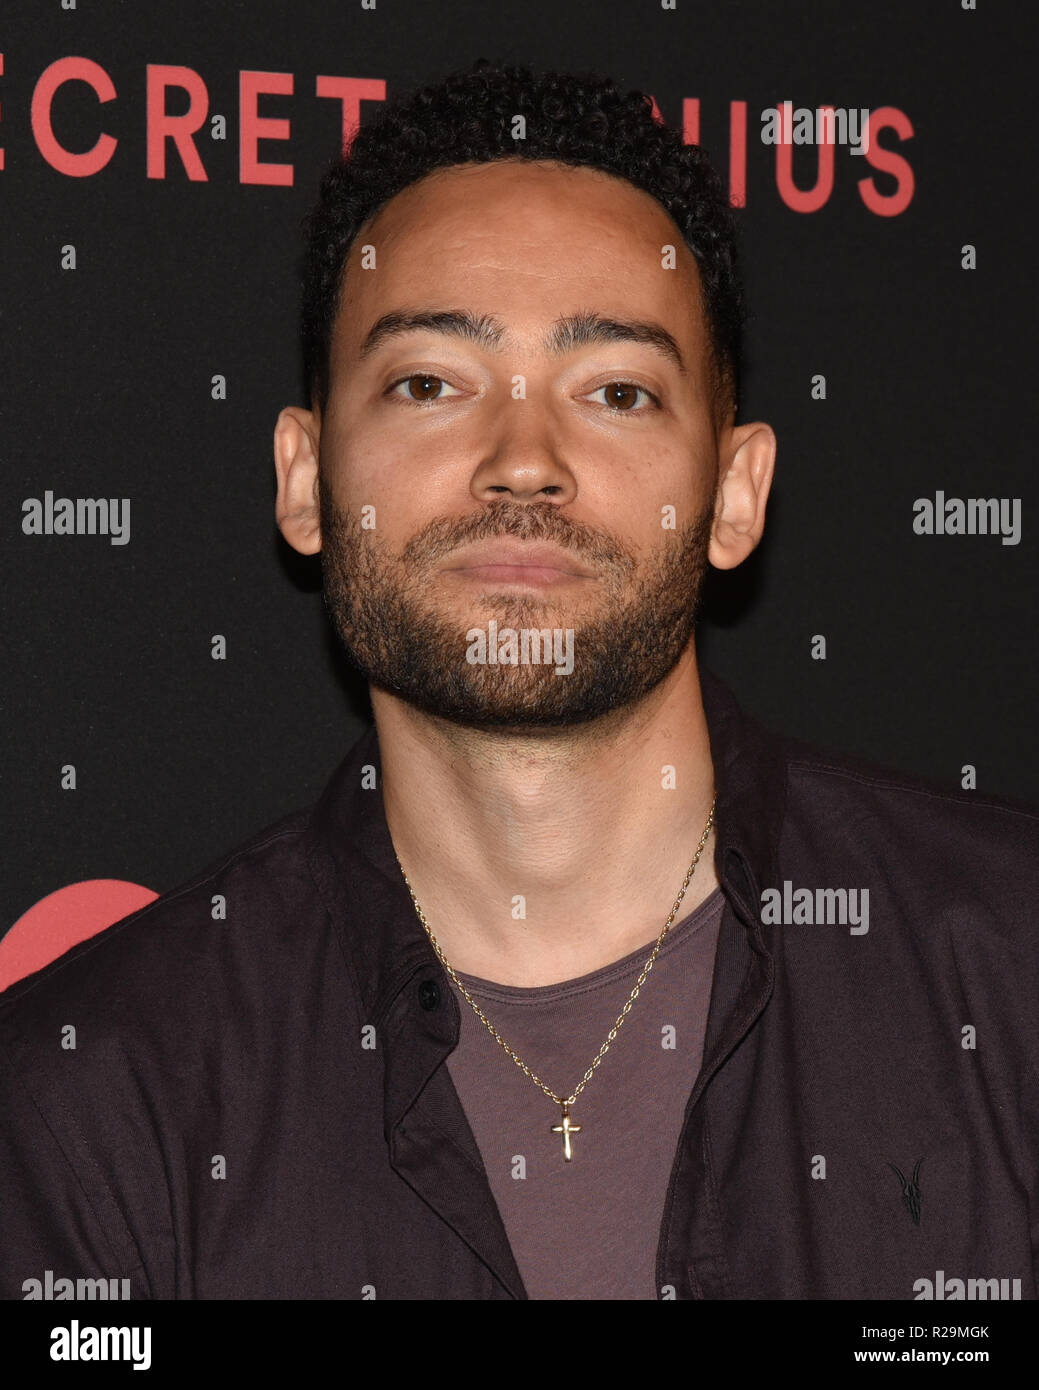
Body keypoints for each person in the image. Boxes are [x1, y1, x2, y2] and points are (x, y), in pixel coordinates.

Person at [2, 59, 1036, 1303]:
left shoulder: (1010, 975)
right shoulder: (92, 1096)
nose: (523, 460)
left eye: (615, 390)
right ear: (304, 478)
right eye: (431, 382)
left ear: (734, 492)